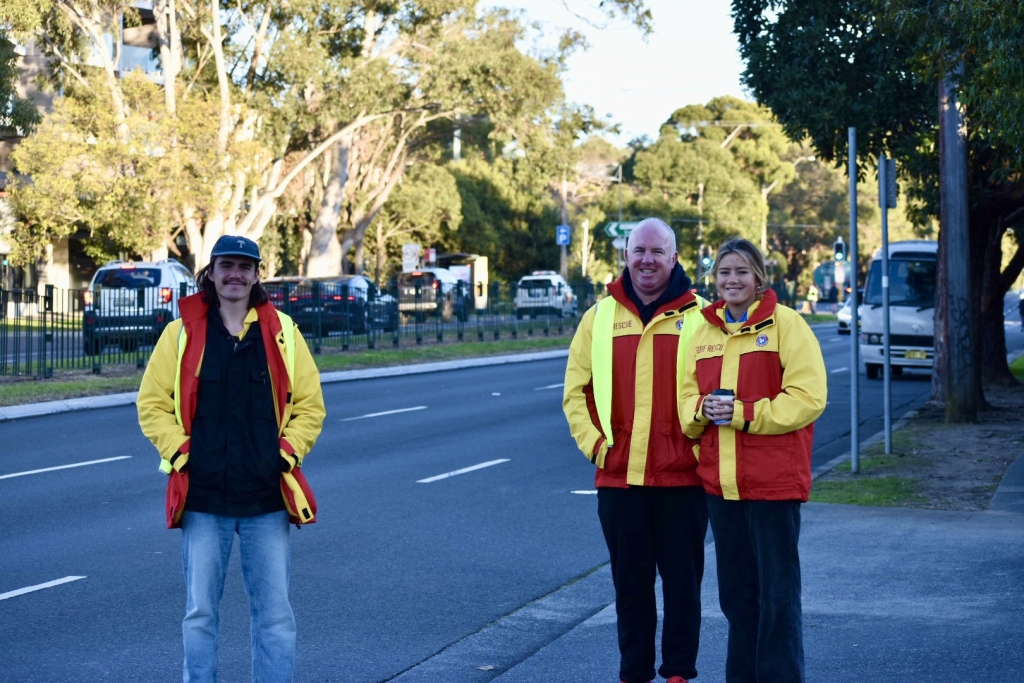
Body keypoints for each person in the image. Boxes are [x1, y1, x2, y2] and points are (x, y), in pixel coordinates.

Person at [137, 235, 326, 683]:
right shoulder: (181, 333)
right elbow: (152, 404)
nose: (235, 275)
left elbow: (310, 407)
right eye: (227, 266)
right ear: (212, 272)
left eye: (245, 266)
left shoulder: (284, 333)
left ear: (258, 274)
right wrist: (182, 454)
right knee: (200, 614)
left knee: (275, 616)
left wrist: (286, 454)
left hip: (266, 498)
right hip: (204, 499)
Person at [563, 218, 709, 683]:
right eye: (639, 251)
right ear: (626, 255)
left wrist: (700, 455)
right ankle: (634, 674)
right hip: (620, 478)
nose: (647, 260)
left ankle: (678, 674)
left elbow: (718, 392)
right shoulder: (599, 317)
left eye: (657, 251)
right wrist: (597, 448)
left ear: (675, 258)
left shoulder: (704, 317)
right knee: (630, 589)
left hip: (683, 480)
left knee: (683, 589)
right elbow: (576, 393)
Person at [678, 237, 827, 683]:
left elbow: (808, 397)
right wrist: (701, 409)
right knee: (737, 601)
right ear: (714, 278)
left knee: (778, 600)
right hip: (722, 488)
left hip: (773, 484)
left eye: (741, 271)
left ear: (758, 277)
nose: (732, 280)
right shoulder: (702, 333)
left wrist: (744, 413)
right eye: (724, 272)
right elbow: (684, 399)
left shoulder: (787, 324)